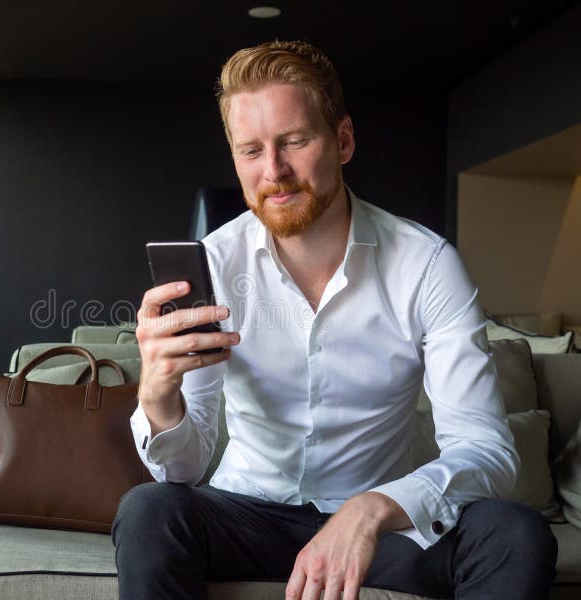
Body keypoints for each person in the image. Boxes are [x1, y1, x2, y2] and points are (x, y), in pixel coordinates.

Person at [113, 40, 557, 600]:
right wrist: (157, 399)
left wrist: (373, 510)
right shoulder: (216, 263)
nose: (273, 171)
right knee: (149, 510)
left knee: (516, 534)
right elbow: (184, 470)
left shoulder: (427, 265)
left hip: (380, 530)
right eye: (251, 150)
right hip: (246, 513)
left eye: (294, 141)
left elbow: (486, 449)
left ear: (342, 140)